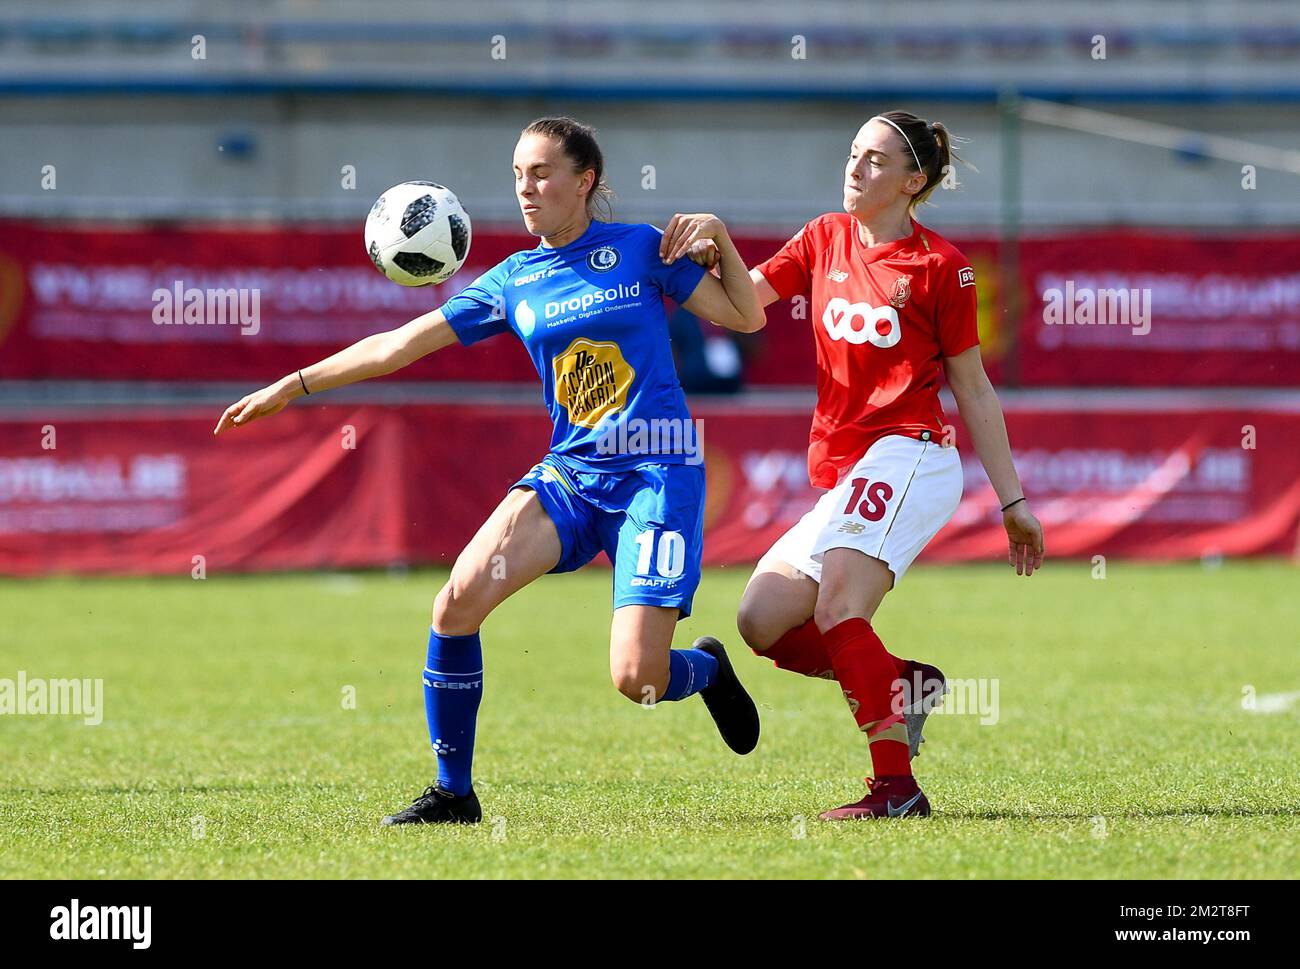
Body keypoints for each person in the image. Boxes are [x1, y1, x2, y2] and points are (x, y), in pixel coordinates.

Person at [214, 116, 766, 825]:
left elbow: (744, 318)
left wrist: (717, 235)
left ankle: (709, 668)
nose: (525, 188)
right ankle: (454, 792)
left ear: (585, 180)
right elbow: (399, 345)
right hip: (571, 474)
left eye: (540, 173)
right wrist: (294, 383)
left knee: (639, 680)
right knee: (455, 603)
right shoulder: (513, 279)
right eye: (516, 174)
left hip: (657, 473)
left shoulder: (640, 249)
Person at [694, 110, 1044, 820]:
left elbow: (973, 388)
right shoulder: (823, 237)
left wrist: (1013, 503)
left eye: (876, 160)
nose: (856, 167)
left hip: (912, 452)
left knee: (839, 606)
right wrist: (679, 267)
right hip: (848, 470)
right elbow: (740, 308)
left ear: (914, 181)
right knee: (760, 618)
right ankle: (903, 684)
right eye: (854, 153)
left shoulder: (941, 267)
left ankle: (896, 788)